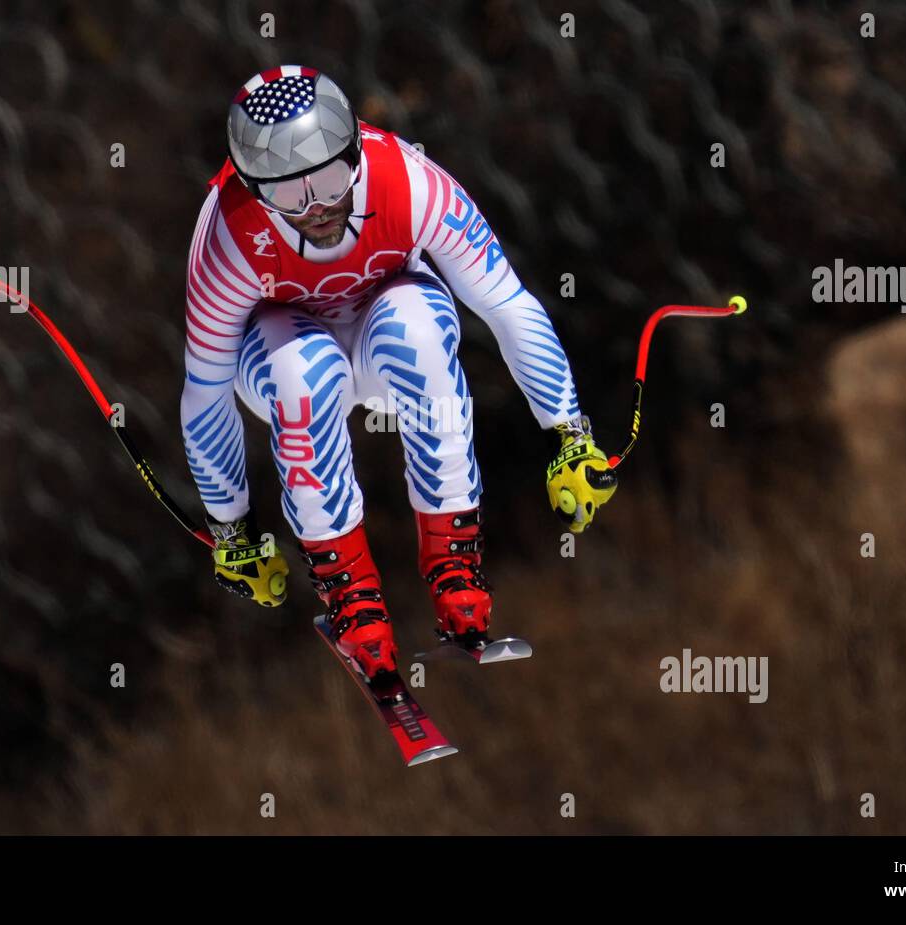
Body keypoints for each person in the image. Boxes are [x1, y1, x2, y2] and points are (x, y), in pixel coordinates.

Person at [181, 65, 618, 681]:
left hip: (389, 328)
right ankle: (352, 597)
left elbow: (506, 304)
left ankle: (456, 572)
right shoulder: (228, 233)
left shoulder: (409, 183)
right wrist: (231, 525)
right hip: (287, 352)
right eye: (287, 194)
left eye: (332, 177)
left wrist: (569, 433)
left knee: (419, 329)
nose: (318, 207)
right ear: (254, 188)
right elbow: (205, 391)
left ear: (356, 149)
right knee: (302, 373)